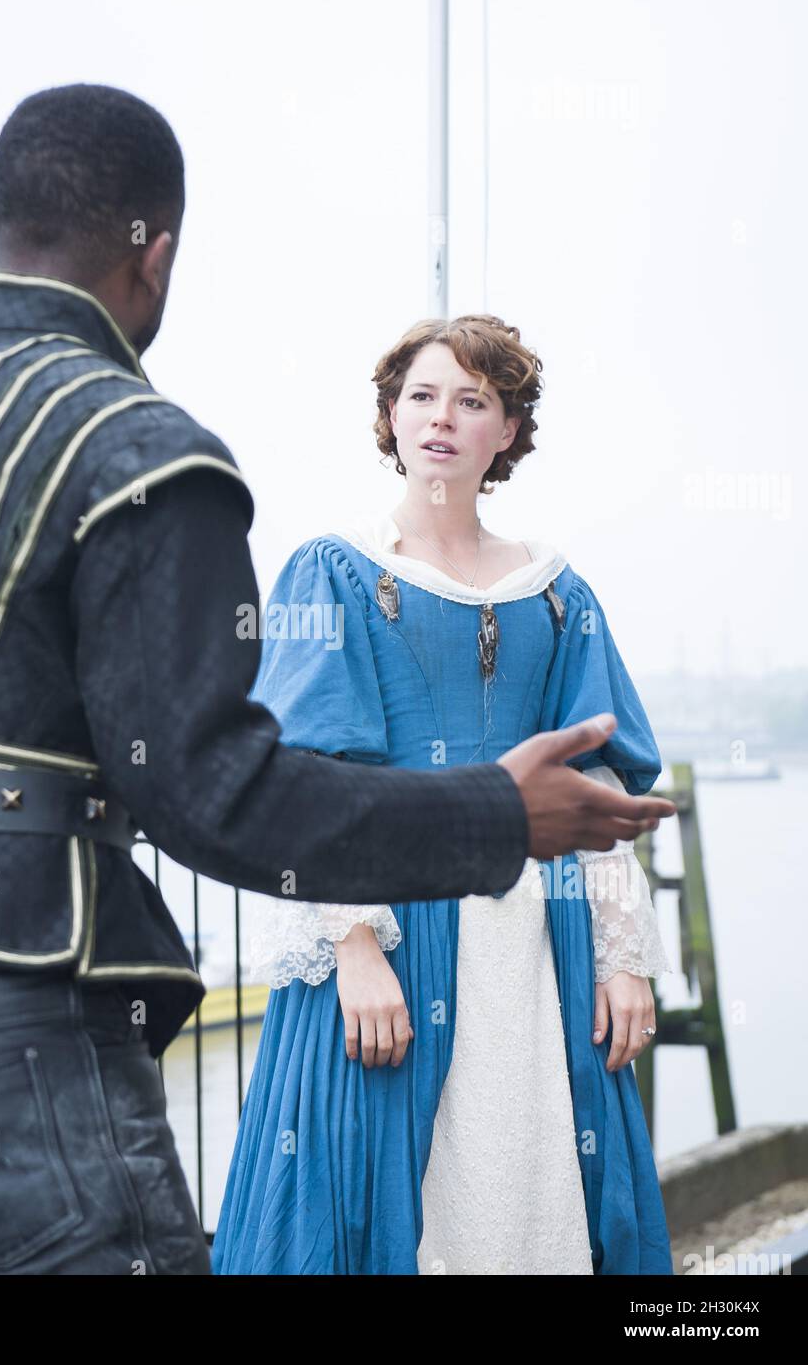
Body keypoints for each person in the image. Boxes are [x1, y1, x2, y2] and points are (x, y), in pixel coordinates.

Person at [0, 84, 674, 1276]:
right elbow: (212, 792)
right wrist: (496, 816)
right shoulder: (136, 447)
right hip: (15, 1038)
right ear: (158, 260)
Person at [213, 316, 674, 1275]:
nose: (441, 418)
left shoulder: (558, 594)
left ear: (505, 430)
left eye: (472, 401)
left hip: (538, 946)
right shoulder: (332, 570)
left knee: (540, 1186)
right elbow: (307, 774)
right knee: (365, 1196)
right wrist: (350, 944)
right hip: (394, 930)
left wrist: (623, 956)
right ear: (389, 415)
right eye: (421, 395)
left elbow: (593, 779)